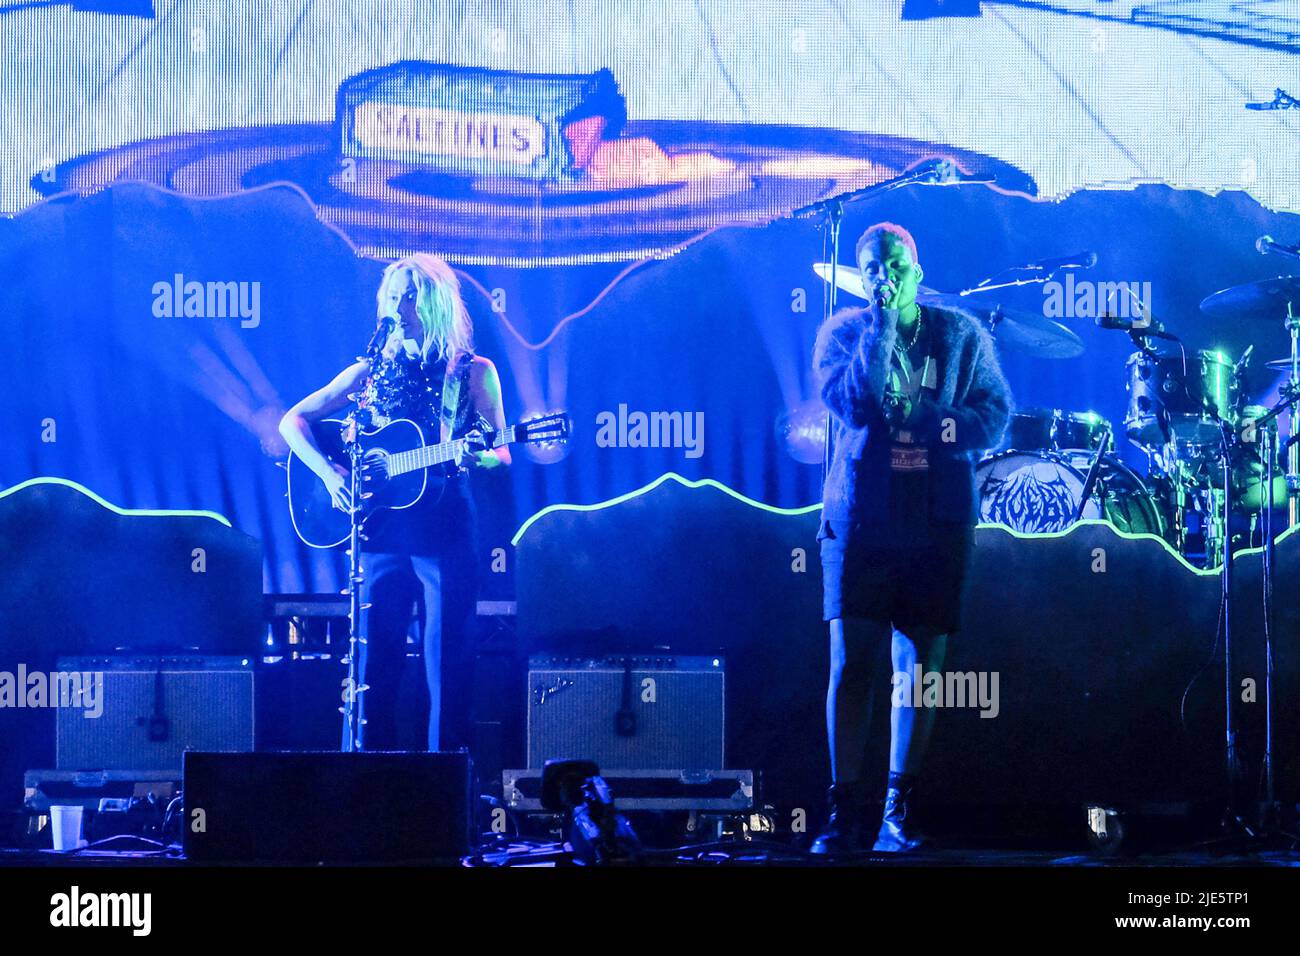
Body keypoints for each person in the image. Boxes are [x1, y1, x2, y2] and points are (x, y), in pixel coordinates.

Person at [810, 222, 1011, 853]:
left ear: (917, 270)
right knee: (851, 666)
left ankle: (900, 809)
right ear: (858, 275)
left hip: (936, 522)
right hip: (863, 519)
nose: (883, 276)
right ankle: (846, 813)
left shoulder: (960, 335)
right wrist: (882, 329)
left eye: (894, 264)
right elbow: (855, 406)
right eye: (871, 267)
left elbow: (994, 417)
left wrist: (934, 425)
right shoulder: (842, 333)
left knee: (920, 671)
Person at [279, 253, 510, 751]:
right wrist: (329, 472)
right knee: (371, 663)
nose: (400, 305)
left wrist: (476, 456)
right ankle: (365, 777)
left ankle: (443, 784)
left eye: (411, 295)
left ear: (434, 303)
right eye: (393, 295)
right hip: (381, 532)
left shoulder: (472, 372)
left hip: (444, 530)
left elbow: (501, 454)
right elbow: (292, 421)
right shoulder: (369, 371)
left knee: (446, 664)